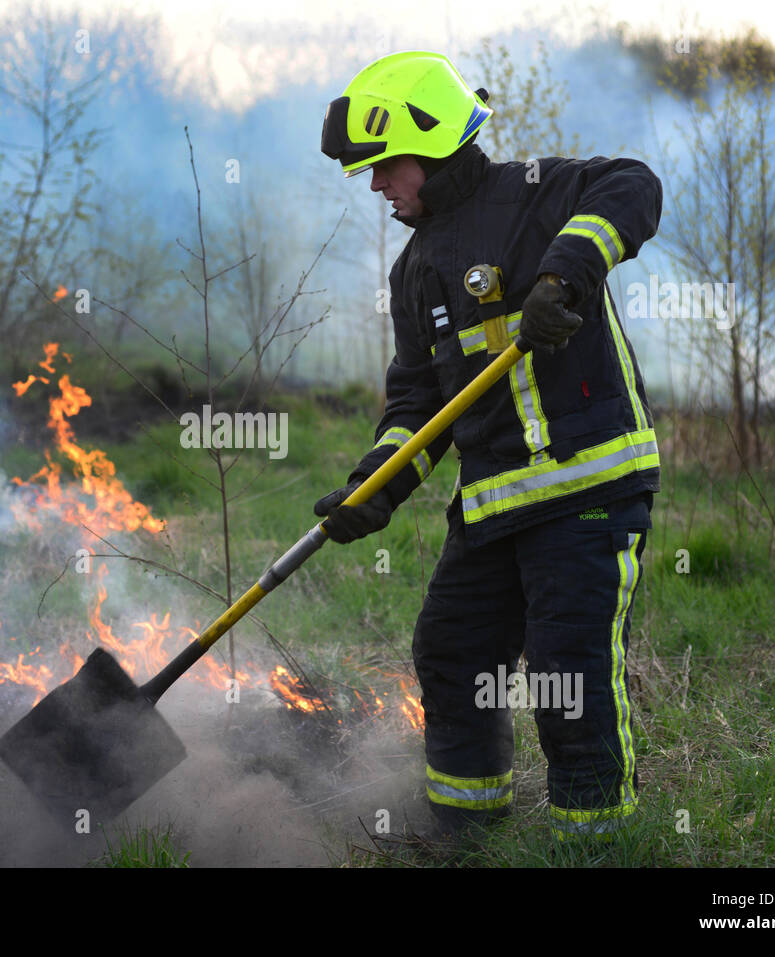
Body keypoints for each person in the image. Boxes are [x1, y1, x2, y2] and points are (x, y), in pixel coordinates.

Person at [317, 50, 662, 843]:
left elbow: (635, 184)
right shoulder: (413, 272)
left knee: (566, 678)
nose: (375, 187)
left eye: (382, 167)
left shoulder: (536, 193)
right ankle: (464, 833)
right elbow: (418, 401)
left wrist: (563, 278)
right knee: (451, 651)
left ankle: (593, 842)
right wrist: (374, 487)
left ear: (430, 144)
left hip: (586, 490)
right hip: (494, 507)